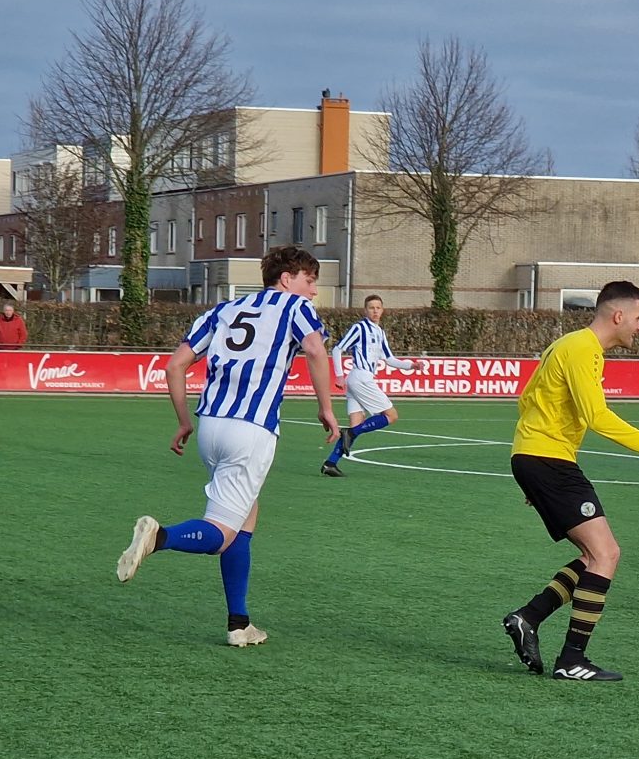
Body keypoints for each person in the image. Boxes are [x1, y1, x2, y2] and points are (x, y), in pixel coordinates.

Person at [114, 245, 339, 647]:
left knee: (246, 516)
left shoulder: (222, 310)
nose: (313, 292)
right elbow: (316, 350)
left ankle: (239, 623)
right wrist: (326, 407)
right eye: (309, 281)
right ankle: (159, 536)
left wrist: (184, 421)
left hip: (210, 425)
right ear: (287, 279)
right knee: (221, 530)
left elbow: (175, 365)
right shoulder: (293, 307)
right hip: (251, 428)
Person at [501, 279, 639, 683]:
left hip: (543, 459)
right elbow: (597, 416)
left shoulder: (571, 346)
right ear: (618, 314)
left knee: (594, 557)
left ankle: (528, 617)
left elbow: (529, 400)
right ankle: (572, 659)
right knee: (606, 555)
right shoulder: (581, 348)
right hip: (547, 460)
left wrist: (529, 470)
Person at [322, 294, 416, 476]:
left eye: (378, 308)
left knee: (356, 424)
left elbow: (389, 359)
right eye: (371, 307)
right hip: (361, 377)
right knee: (391, 415)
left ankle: (330, 463)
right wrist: (339, 376)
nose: (375, 311)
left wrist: (410, 365)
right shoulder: (359, 328)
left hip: (359, 380)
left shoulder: (379, 332)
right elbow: (337, 349)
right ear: (365, 310)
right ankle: (349, 433)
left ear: (382, 310)